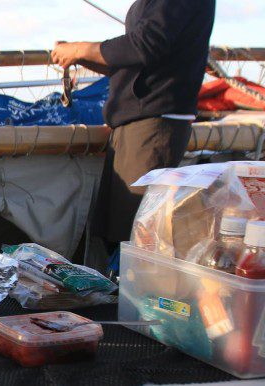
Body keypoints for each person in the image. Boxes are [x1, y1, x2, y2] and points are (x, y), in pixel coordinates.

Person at [51, 0, 216, 272]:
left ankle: (136, 307)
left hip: (154, 125)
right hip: (138, 123)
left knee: (138, 232)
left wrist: (80, 49)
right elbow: (145, 56)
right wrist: (84, 56)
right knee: (117, 228)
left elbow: (146, 44)